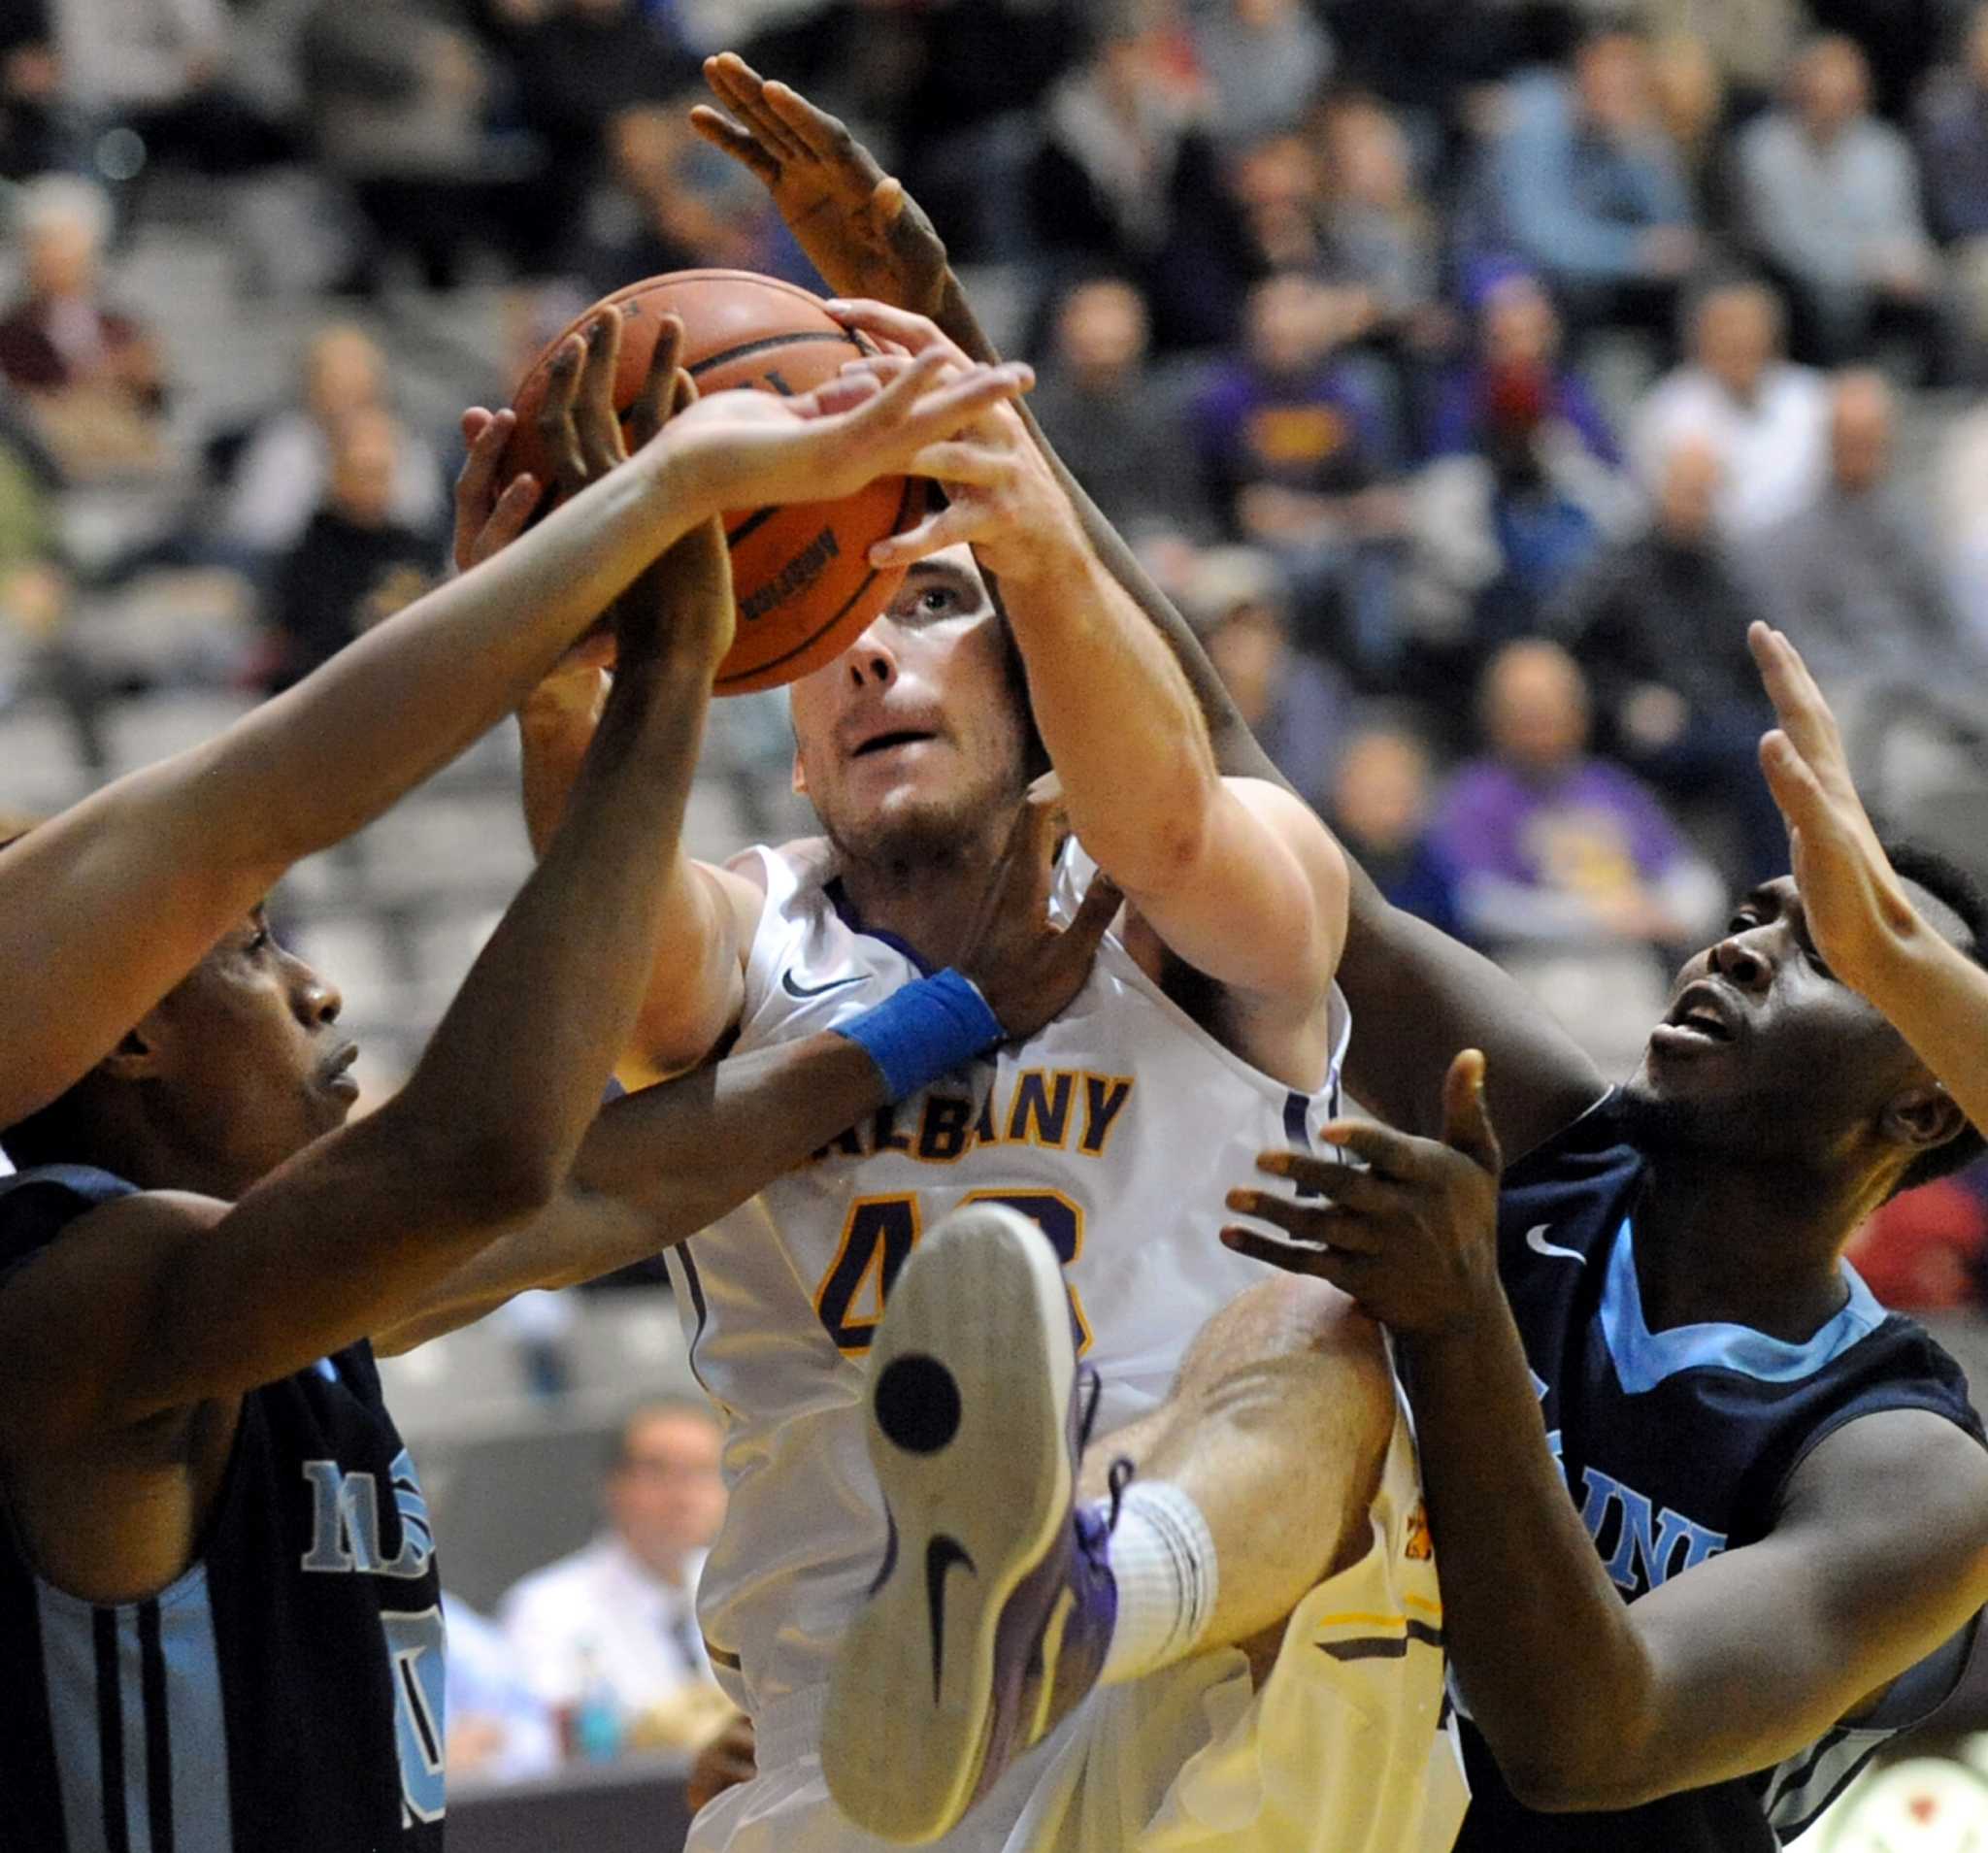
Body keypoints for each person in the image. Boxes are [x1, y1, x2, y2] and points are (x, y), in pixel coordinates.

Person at [485, 54, 1474, 1853]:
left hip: (1193, 1732)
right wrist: (565, 684)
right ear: (779, 726)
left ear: (1035, 674)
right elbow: (606, 933)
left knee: (1319, 1332)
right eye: (836, 631)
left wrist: (1016, 510)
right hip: (846, 1772)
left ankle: (1076, 1595)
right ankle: (976, 1642)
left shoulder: (1195, 901)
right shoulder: (744, 936)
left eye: (932, 608)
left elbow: (1172, 815)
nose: (869, 656)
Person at [0, 322, 1054, 1846]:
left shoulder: (277, 1308)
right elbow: (485, 1157)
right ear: (125, 1037)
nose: (320, 985)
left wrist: (943, 1012)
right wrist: (667, 669)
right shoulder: (70, 1302)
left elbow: (602, 1183)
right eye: (248, 955)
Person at [1221, 622, 1988, 1849]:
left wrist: (1459, 1313)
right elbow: (1285, 867)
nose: (1738, 946)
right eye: (1750, 913)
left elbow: (1587, 1744)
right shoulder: (1559, 1141)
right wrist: (1015, 503)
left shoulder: (1908, 1465)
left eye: (1821, 955)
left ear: (1922, 1098)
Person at [0, 312, 1002, 1138]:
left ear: (1029, 681)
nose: (325, 991)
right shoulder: (112, 1268)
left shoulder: (1130, 908)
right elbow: (513, 1176)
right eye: (257, 948)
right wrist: (635, 579)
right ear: (792, 754)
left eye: (935, 603)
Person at [1554, 435, 1786, 887]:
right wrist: (1626, 702)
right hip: (1647, 734)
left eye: (1705, 494)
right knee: (1755, 749)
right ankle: (1772, 888)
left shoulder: (1725, 571)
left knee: (1780, 743)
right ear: (1660, 490)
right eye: (1686, 491)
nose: (1695, 505)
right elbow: (1567, 664)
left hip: (1721, 719)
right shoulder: (1617, 571)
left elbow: (1756, 658)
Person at [1743, 370, 1971, 702]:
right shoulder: (1786, 540)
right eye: (1849, 438)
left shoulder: (1914, 524)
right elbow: (1798, 642)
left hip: (1929, 693)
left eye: (1870, 438)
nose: (1860, 450)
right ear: (1828, 440)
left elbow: (1947, 624)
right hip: (1845, 697)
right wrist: (1883, 681)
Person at [501, 1400, 727, 1727]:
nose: (683, 1494)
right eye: (658, 1471)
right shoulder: (546, 1609)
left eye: (703, 1471)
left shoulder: (746, 1587)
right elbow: (547, 1742)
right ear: (613, 1485)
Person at [1735, 36, 1942, 370]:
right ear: (1797, 92)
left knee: (1937, 296)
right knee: (1821, 301)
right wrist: (1864, 267)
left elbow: (1906, 226)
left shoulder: (1885, 147)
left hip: (1881, 280)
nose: (1831, 107)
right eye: (1819, 96)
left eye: (1844, 97)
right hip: (1800, 281)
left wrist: (1910, 262)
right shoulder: (1763, 150)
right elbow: (1787, 242)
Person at [1629, 276, 1830, 541]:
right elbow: (1651, 511)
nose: (1740, 340)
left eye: (1750, 330)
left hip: (1804, 558)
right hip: (1707, 563)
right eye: (1727, 330)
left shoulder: (1815, 400)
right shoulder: (1666, 412)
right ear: (1698, 340)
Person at [264, 406, 440, 691]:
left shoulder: (419, 548)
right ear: (336, 471)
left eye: (380, 472)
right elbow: (308, 641)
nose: (372, 486)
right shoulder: (307, 554)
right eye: (362, 472)